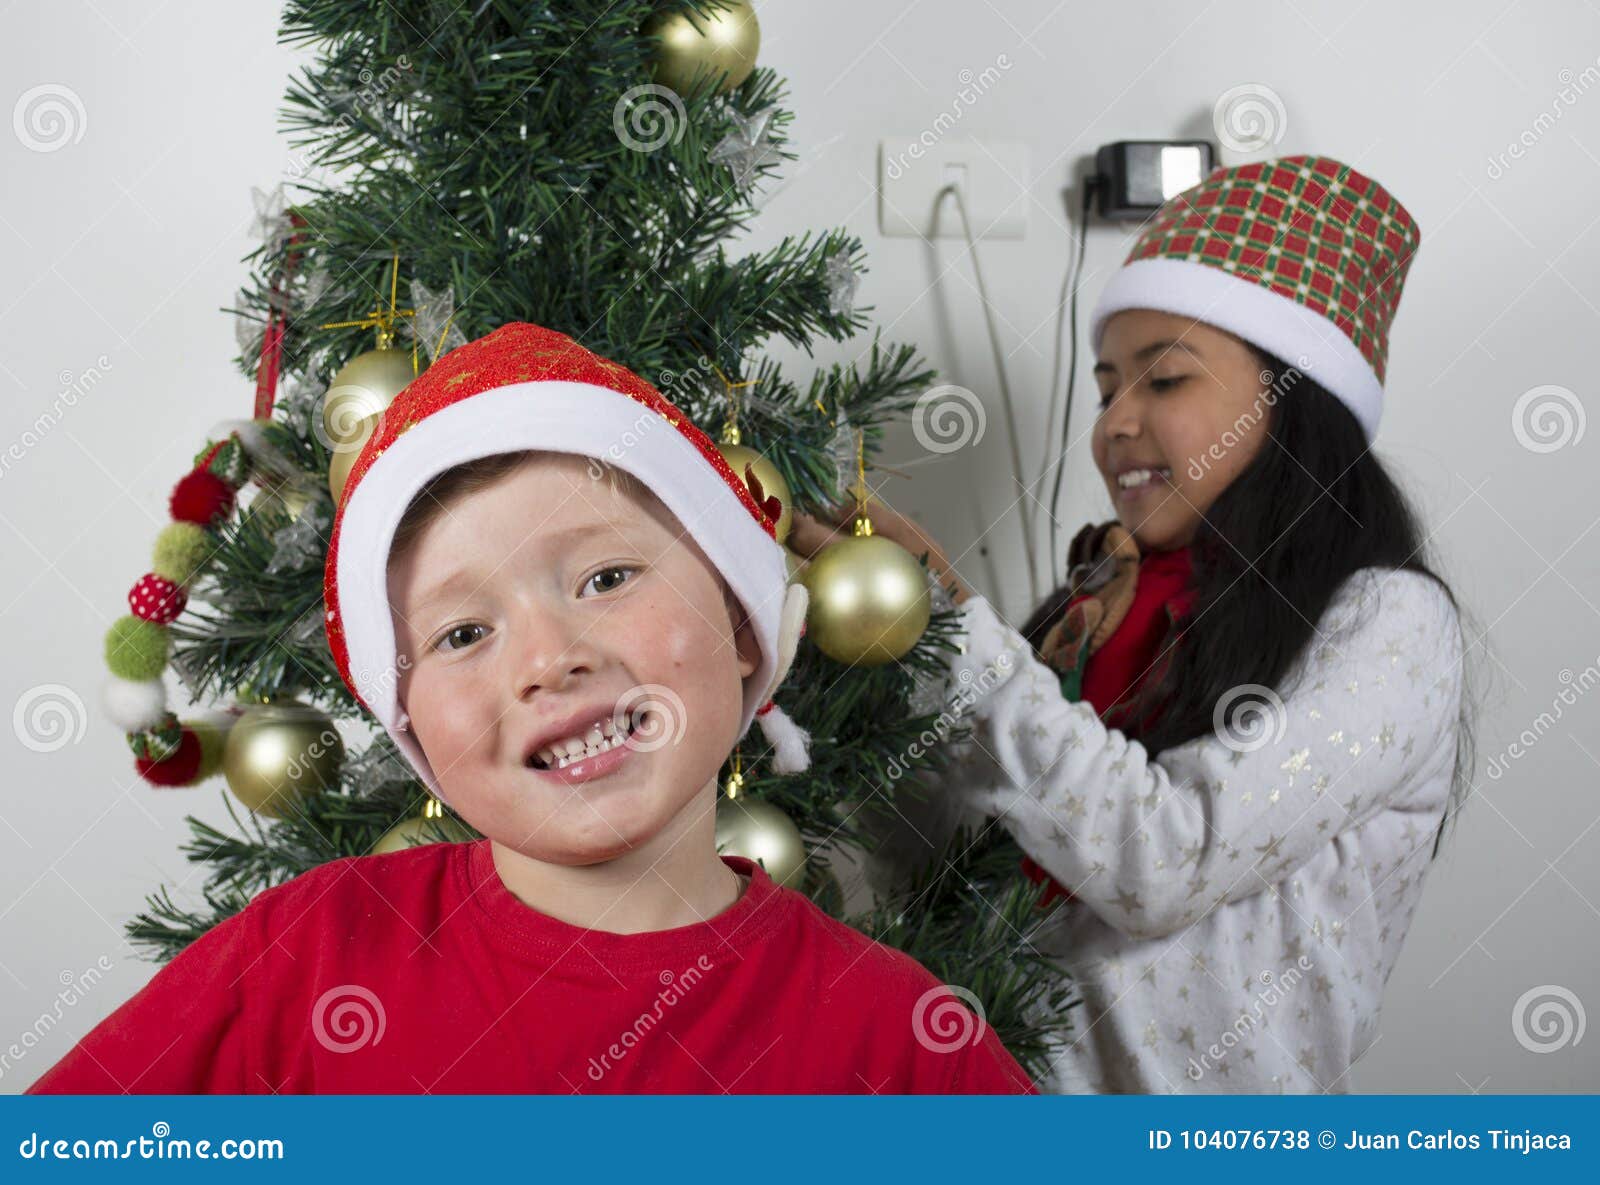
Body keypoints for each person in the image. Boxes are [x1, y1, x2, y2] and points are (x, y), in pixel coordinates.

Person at [29, 322, 1034, 1095]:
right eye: (464, 634)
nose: (549, 661)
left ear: (743, 628)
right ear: (410, 724)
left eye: (605, 578)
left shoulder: (899, 1040)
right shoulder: (302, 957)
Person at [792, 155, 1472, 1093]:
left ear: (1295, 402)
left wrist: (960, 628)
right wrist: (889, 652)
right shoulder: (1093, 611)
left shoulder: (1388, 620)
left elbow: (1165, 859)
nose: (1114, 422)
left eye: (1164, 381)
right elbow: (957, 868)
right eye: (1106, 387)